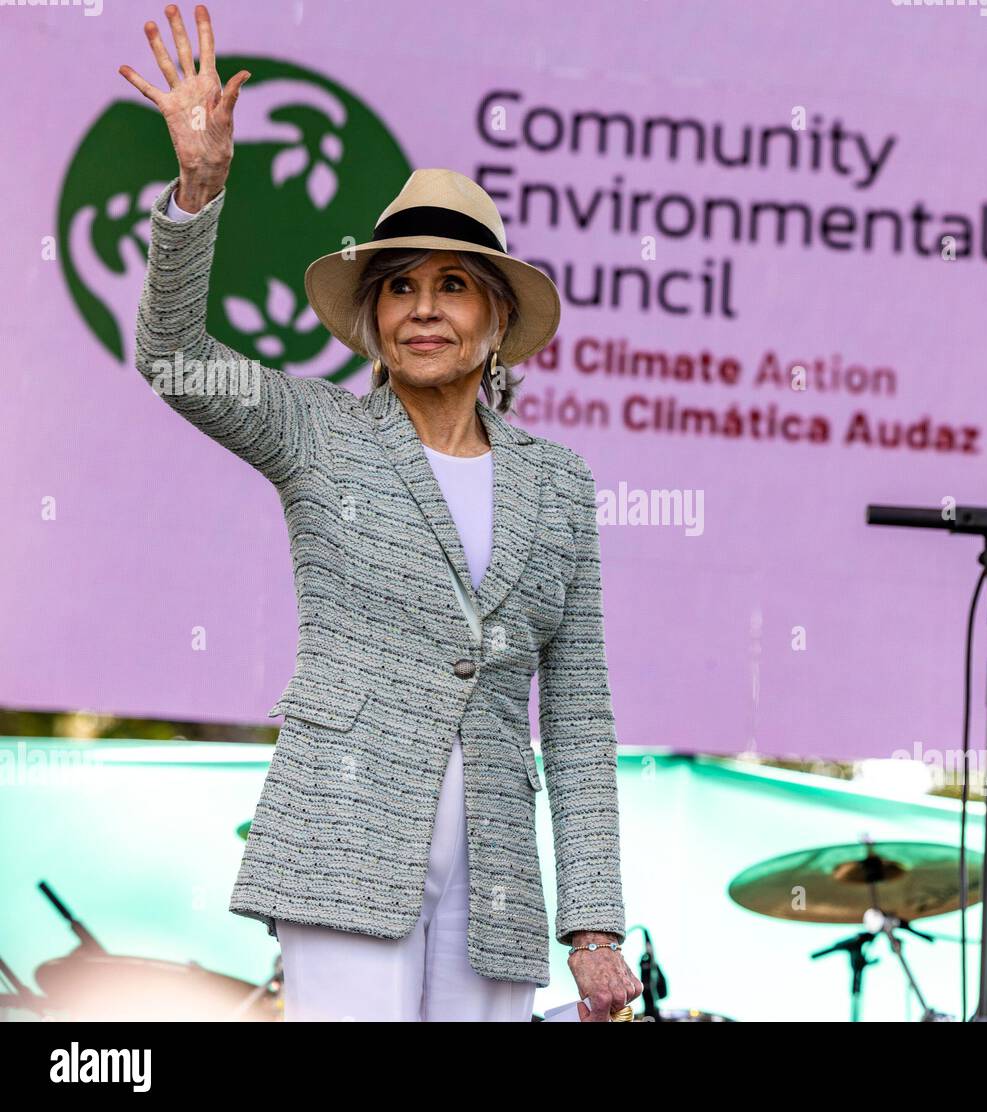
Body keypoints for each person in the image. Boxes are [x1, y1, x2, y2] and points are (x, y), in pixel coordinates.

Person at [120, 3, 641, 1021]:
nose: (424, 308)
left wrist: (594, 923)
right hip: (342, 834)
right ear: (373, 321)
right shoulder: (320, 430)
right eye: (399, 287)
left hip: (496, 870)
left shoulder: (558, 482)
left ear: (497, 322)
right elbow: (173, 359)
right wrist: (197, 193)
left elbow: (576, 718)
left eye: (454, 285)